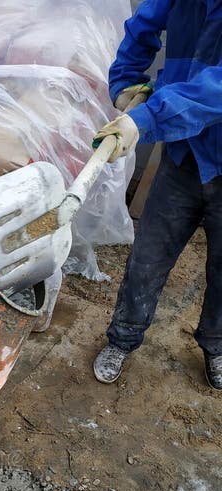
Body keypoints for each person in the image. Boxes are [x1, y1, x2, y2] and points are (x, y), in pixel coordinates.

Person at [91, 0, 222, 391]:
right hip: (183, 154)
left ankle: (216, 346)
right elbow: (142, 27)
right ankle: (122, 339)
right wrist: (124, 83)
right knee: (148, 257)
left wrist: (146, 119)